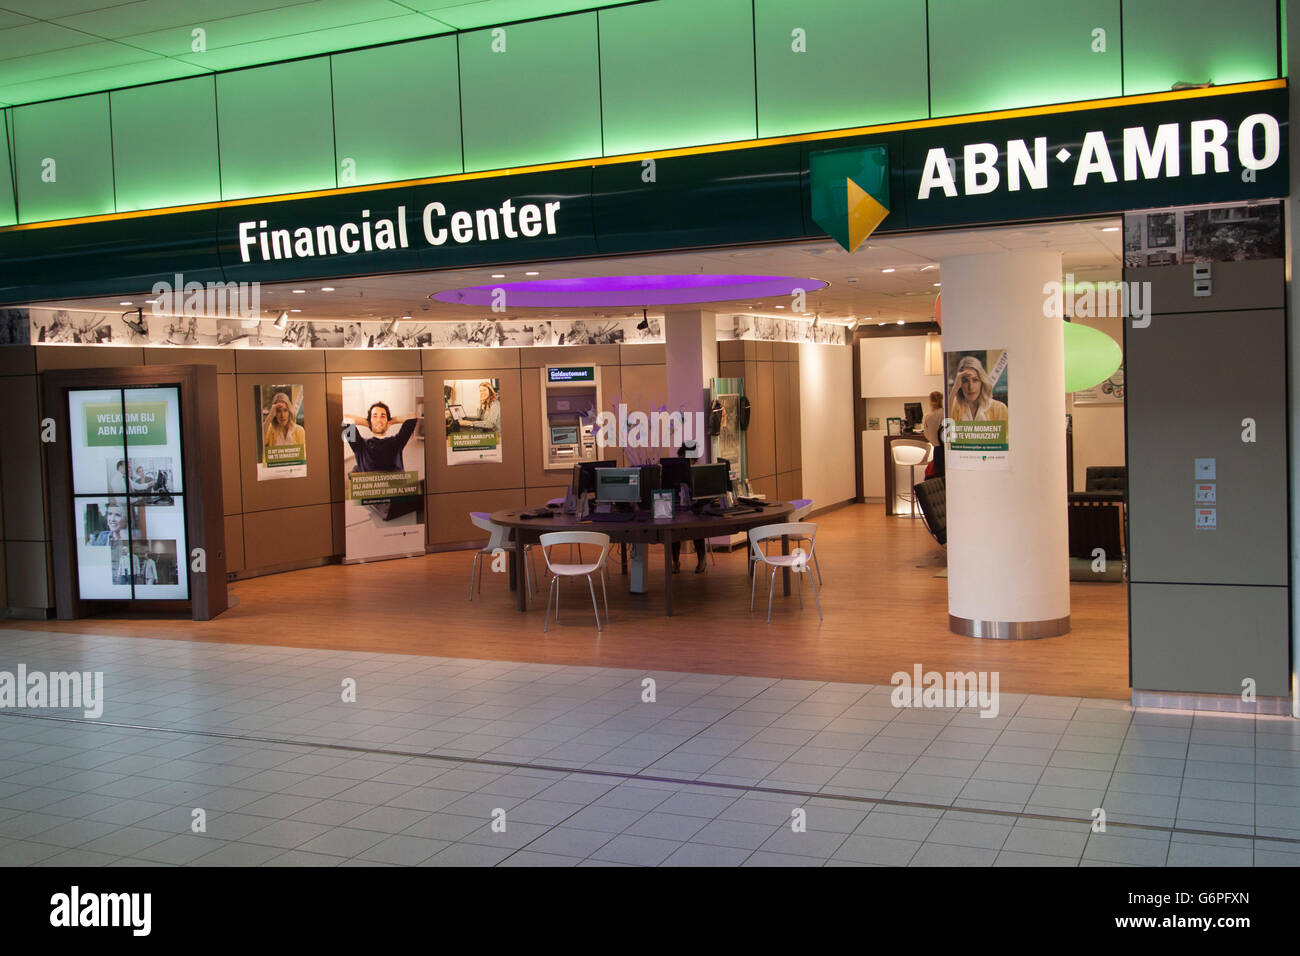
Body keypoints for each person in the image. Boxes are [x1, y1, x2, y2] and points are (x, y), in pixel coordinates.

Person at [345, 401, 418, 472]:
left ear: (387, 421)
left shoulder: (396, 442)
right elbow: (345, 419)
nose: (379, 420)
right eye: (375, 416)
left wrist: (390, 422)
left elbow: (413, 417)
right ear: (370, 420)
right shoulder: (360, 445)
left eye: (382, 416)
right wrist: (369, 423)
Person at [669, 443, 708, 574]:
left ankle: (701, 559)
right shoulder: (675, 469)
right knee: (674, 529)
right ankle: (675, 561)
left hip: (693, 506)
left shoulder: (697, 471)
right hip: (679, 504)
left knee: (697, 527)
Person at [949, 355, 1008, 422]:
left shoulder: (1000, 409)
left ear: (982, 382)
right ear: (960, 384)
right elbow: (944, 427)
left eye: (975, 380)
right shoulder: (954, 408)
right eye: (965, 381)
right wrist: (955, 388)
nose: (971, 387)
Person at [264, 390, 306, 456]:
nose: (282, 415)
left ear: (289, 411)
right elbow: (260, 442)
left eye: (285, 410)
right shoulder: (270, 429)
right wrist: (270, 416)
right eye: (278, 411)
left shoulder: (300, 430)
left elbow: (304, 456)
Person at [922, 390, 945, 478]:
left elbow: (928, 435)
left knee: (940, 476)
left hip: (938, 450)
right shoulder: (946, 413)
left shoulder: (928, 416)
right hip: (948, 450)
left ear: (930, 401)